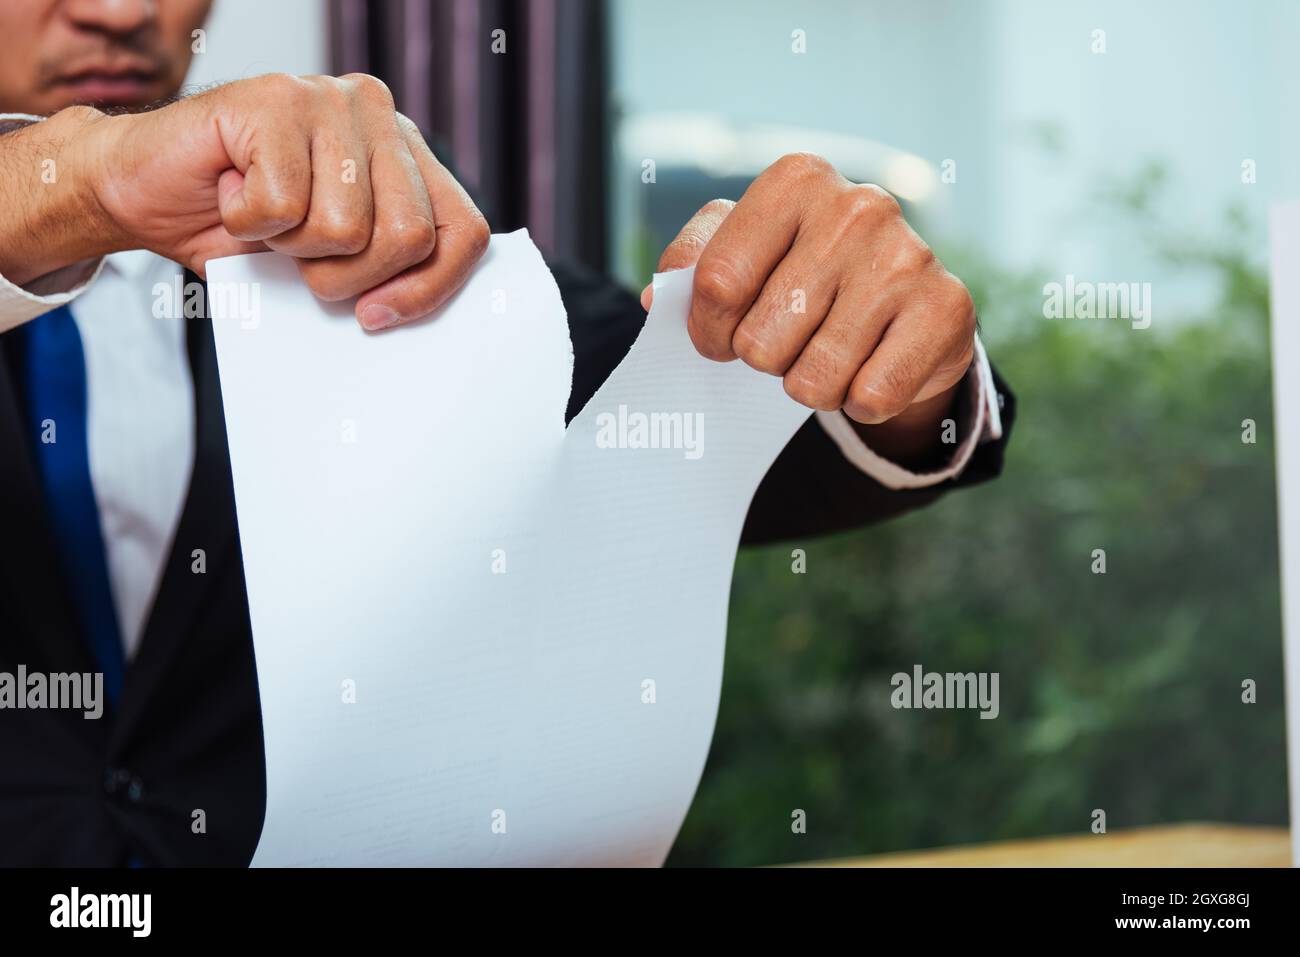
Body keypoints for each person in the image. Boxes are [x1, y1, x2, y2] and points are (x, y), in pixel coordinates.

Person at [0, 0, 1014, 866]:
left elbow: (733, 431)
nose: (121, 10)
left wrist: (890, 344)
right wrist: (81, 179)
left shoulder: (369, 253)